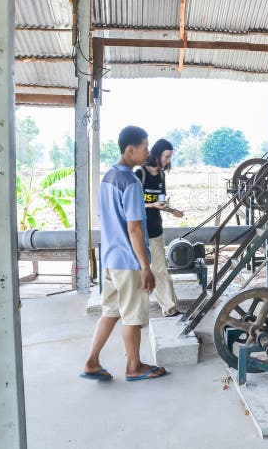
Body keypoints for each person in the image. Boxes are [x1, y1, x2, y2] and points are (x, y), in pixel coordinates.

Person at [81, 126, 168, 382]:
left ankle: (91, 362)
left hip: (109, 258)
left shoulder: (108, 178)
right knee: (133, 314)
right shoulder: (130, 182)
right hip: (128, 262)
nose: (148, 152)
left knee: (110, 311)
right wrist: (145, 265)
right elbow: (134, 228)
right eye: (144, 147)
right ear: (130, 150)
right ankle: (134, 366)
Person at [135, 139, 185, 317]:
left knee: (160, 270)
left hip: (155, 229)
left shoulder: (161, 176)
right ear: (156, 153)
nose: (168, 160)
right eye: (166, 156)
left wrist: (172, 210)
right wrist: (152, 206)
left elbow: (160, 203)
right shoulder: (140, 173)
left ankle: (170, 308)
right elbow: (132, 203)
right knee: (137, 270)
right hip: (138, 230)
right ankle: (132, 309)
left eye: (170, 157)